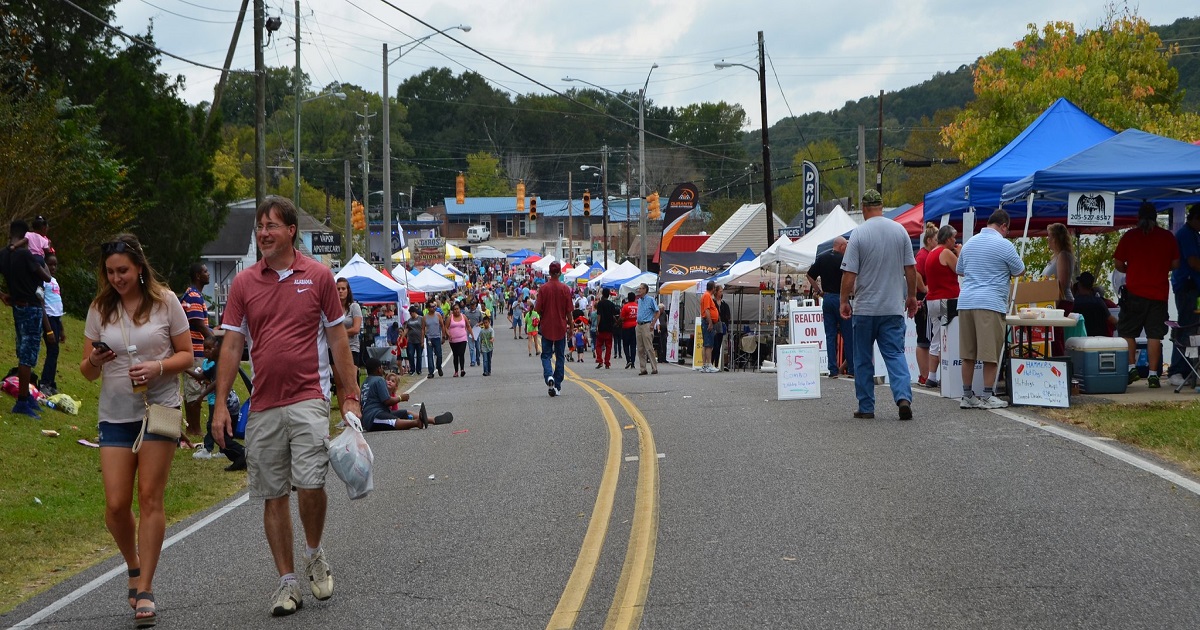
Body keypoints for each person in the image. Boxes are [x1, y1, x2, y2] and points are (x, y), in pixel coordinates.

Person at [210, 196, 361, 618]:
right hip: (263, 405)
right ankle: (288, 583)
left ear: (291, 230)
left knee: (311, 483)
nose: (262, 233)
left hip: (310, 397)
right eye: (259, 227)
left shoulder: (317, 276)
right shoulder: (243, 284)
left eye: (271, 225)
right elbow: (233, 345)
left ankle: (314, 552)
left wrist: (349, 394)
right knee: (272, 493)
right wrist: (220, 405)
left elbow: (337, 340)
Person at [80, 233, 193, 627]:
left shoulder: (166, 303)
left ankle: (145, 588)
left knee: (150, 497)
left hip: (159, 409)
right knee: (114, 506)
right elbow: (86, 372)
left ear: (140, 268)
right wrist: (94, 358)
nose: (117, 278)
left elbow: (187, 354)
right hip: (114, 413)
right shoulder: (99, 309)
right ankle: (133, 563)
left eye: (123, 270)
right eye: (110, 272)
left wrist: (157, 367)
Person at [838, 189, 918, 421]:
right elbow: (910, 269)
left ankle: (866, 407)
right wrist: (911, 296)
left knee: (863, 358)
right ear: (882, 207)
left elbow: (850, 274)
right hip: (892, 307)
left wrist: (844, 301)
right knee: (895, 354)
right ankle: (903, 398)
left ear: (863, 209)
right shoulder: (900, 230)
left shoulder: (859, 234)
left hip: (866, 308)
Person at [956, 209, 1026, 409]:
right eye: (1007, 229)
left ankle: (967, 395)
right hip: (990, 302)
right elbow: (1019, 270)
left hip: (966, 301)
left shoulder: (969, 243)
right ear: (1003, 226)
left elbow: (959, 270)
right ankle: (987, 395)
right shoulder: (1004, 245)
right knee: (990, 353)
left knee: (968, 352)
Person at [1114, 202, 1179, 388]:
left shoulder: (1130, 236)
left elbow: (1118, 263)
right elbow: (1175, 264)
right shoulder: (1167, 237)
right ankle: (1153, 375)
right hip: (1158, 293)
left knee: (1128, 332)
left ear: (1138, 217)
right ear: (1156, 218)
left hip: (1134, 292)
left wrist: (1130, 268)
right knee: (1154, 335)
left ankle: (1131, 368)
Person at [0, 219, 52, 417]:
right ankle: (22, 402)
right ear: (26, 236)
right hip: (31, 307)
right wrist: (44, 259)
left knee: (23, 350)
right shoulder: (26, 255)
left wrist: (2, 295)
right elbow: (47, 277)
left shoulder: (4, 254)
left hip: (16, 306)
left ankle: (26, 395)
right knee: (27, 355)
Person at [191, 335, 247, 471]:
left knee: (214, 428)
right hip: (226, 401)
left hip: (225, 401)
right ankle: (236, 457)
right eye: (205, 348)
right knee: (220, 432)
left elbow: (216, 383)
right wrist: (184, 368)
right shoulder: (213, 364)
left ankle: (241, 453)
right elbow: (201, 376)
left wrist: (200, 397)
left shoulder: (221, 364)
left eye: (212, 347)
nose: (207, 351)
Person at [359, 357, 452, 431]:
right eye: (381, 368)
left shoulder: (365, 383)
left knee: (405, 413)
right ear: (378, 369)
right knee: (394, 421)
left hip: (374, 414)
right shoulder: (379, 380)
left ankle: (432, 419)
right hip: (373, 417)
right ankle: (417, 422)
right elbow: (387, 401)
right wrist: (400, 398)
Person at [807, 236, 853, 378]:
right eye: (846, 245)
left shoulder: (822, 257)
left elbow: (809, 275)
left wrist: (819, 290)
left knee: (830, 335)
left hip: (827, 298)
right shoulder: (845, 260)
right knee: (848, 335)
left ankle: (832, 369)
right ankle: (852, 369)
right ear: (841, 247)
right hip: (841, 298)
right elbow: (851, 278)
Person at [923, 225, 960, 388]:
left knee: (937, 337)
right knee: (948, 338)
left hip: (932, 300)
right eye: (953, 237)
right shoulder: (945, 253)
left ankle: (932, 376)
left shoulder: (931, 253)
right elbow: (962, 269)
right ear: (947, 238)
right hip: (947, 300)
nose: (955, 241)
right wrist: (959, 253)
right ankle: (946, 374)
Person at [180, 262, 213, 438]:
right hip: (195, 349)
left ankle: (192, 428)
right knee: (194, 388)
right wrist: (214, 340)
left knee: (192, 388)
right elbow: (197, 323)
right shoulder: (193, 295)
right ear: (198, 276)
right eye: (205, 271)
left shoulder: (194, 295)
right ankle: (195, 429)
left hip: (195, 349)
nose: (208, 274)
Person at [1169, 204, 1200, 386]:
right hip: (1187, 289)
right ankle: (1177, 369)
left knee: (1195, 327)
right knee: (1187, 327)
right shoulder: (1186, 234)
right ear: (1195, 218)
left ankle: (1191, 368)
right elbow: (1193, 262)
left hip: (1195, 289)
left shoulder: (1194, 234)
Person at [536, 261, 573, 397]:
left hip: (546, 327)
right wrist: (571, 328)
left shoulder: (543, 289)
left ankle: (549, 376)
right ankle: (557, 384)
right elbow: (569, 312)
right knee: (560, 356)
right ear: (560, 273)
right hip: (560, 327)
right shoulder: (565, 289)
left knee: (546, 355)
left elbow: (537, 309)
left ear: (550, 273)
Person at [1044, 223, 1078, 356]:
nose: (1048, 240)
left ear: (1056, 238)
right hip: (1055, 300)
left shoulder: (1063, 256)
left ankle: (1059, 361)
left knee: (1055, 334)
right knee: (1054, 333)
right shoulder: (1057, 256)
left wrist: (1054, 304)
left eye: (1050, 237)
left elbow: (1063, 283)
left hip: (1060, 300)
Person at [913, 223, 936, 385]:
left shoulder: (928, 254)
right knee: (924, 340)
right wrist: (924, 288)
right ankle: (924, 374)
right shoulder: (922, 255)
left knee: (928, 339)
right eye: (936, 239)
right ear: (929, 240)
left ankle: (927, 374)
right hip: (924, 300)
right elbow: (916, 274)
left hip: (926, 299)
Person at [39, 252, 64, 396]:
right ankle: (44, 383)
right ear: (44, 265)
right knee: (52, 351)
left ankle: (51, 382)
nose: (53, 267)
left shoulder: (54, 281)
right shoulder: (42, 281)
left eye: (55, 265)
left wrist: (61, 329)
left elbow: (57, 306)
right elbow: (41, 304)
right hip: (47, 320)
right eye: (50, 264)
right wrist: (48, 330)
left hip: (55, 319)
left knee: (54, 352)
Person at [1072, 272, 1117, 337]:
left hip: (1079, 339)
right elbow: (1112, 320)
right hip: (1098, 340)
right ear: (1091, 286)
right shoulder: (1099, 302)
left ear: (1079, 285)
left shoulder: (1074, 302)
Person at [335, 278, 363, 371]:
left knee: (351, 381)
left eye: (343, 289)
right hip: (335, 348)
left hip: (351, 347)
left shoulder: (354, 307)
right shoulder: (332, 308)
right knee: (339, 383)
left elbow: (356, 329)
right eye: (338, 289)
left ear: (348, 290)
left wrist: (337, 334)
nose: (340, 291)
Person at [635, 283, 661, 375]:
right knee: (640, 348)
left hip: (646, 324)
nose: (639, 290)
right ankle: (643, 368)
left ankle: (654, 368)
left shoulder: (650, 299)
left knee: (649, 347)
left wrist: (653, 323)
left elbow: (657, 312)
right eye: (639, 288)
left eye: (641, 288)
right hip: (639, 325)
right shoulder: (639, 300)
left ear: (646, 290)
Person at [594, 287, 619, 369]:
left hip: (601, 327)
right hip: (609, 327)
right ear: (609, 295)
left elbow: (599, 315)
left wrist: (597, 326)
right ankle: (607, 362)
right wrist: (616, 323)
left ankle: (600, 360)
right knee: (608, 346)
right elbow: (614, 316)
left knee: (598, 345)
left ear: (602, 294)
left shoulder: (600, 304)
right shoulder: (611, 304)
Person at [699, 281, 721, 373]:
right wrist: (710, 322)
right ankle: (708, 365)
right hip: (707, 322)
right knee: (709, 345)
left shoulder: (705, 295)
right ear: (713, 288)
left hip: (706, 321)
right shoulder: (707, 296)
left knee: (706, 344)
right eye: (715, 288)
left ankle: (704, 365)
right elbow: (707, 309)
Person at [446, 301, 469, 377]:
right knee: (455, 355)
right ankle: (456, 371)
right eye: (455, 309)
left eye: (458, 309)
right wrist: (448, 334)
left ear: (460, 309)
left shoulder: (463, 316)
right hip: (453, 340)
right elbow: (446, 327)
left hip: (463, 338)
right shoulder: (450, 318)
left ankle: (462, 369)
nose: (457, 310)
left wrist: (472, 335)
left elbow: (468, 326)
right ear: (453, 310)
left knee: (461, 353)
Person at [424, 303, 446, 378]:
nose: (433, 308)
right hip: (429, 338)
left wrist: (443, 336)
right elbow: (422, 329)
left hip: (437, 337)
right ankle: (431, 371)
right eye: (431, 307)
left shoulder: (438, 315)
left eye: (434, 306)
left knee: (439, 354)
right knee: (430, 355)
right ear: (428, 308)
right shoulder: (425, 317)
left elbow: (442, 325)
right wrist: (422, 340)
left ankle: (439, 366)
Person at [403, 305, 424, 376]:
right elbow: (406, 329)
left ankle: (419, 369)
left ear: (414, 312)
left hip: (419, 340)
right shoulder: (409, 320)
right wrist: (402, 337)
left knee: (419, 355)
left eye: (411, 313)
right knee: (410, 354)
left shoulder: (421, 319)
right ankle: (412, 369)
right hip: (411, 340)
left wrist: (422, 339)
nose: (410, 315)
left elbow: (423, 328)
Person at [714, 286, 731, 370]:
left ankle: (725, 364)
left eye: (722, 291)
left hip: (723, 327)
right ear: (716, 292)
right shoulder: (712, 303)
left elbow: (728, 316)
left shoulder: (724, 304)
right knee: (715, 346)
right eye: (720, 291)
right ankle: (714, 363)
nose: (721, 293)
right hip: (715, 327)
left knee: (724, 346)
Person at [620, 291, 638, 368]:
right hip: (635, 327)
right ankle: (633, 362)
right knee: (633, 345)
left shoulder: (625, 307)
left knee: (626, 345)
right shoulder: (637, 306)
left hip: (626, 327)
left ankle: (628, 360)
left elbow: (622, 318)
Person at [465, 299, 483, 367]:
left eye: (473, 305)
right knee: (471, 347)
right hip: (469, 331)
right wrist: (467, 323)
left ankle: (477, 358)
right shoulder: (467, 313)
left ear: (475, 305)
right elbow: (464, 321)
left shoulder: (478, 312)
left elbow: (482, 321)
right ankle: (472, 361)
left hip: (476, 331)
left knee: (477, 347)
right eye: (471, 305)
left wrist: (478, 324)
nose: (472, 306)